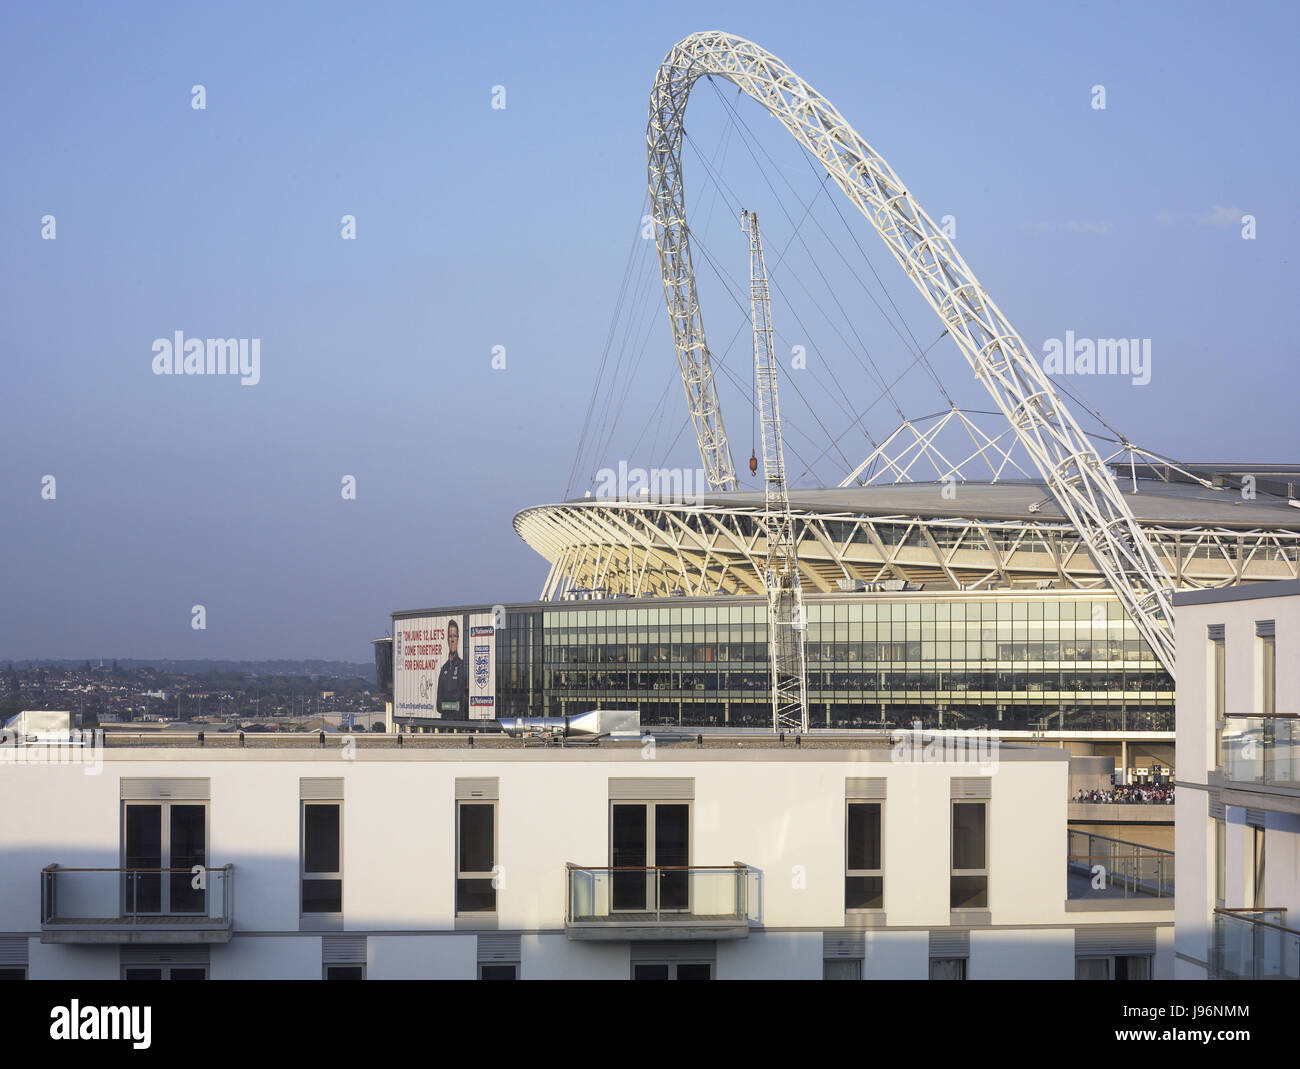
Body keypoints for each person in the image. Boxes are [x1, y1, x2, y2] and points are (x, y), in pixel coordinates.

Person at [436, 618, 468, 718]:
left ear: (458, 638)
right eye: (450, 636)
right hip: (444, 721)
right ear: (447, 639)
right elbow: (438, 706)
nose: (452, 639)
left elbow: (460, 698)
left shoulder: (462, 666)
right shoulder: (443, 669)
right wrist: (452, 703)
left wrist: (447, 703)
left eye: (455, 636)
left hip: (459, 721)